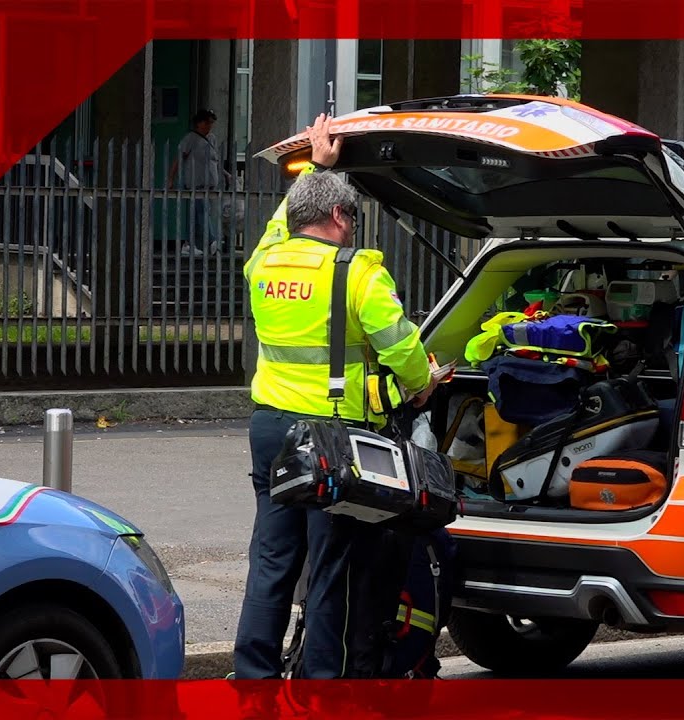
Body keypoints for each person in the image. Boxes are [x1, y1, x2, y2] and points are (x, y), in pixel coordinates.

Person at [230, 113, 438, 686]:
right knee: (330, 567)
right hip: (332, 437)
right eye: (351, 218)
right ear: (341, 216)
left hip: (270, 428)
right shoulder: (358, 274)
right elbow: (401, 349)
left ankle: (253, 677)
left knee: (272, 560)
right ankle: (323, 684)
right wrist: (424, 382)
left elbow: (281, 224)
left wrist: (317, 169)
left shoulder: (263, 264)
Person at [166, 109, 238, 257]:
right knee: (202, 212)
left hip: (209, 185)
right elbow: (178, 159)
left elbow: (214, 161)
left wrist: (225, 175)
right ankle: (212, 241)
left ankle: (189, 244)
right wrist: (170, 178)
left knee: (197, 215)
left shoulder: (211, 139)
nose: (209, 126)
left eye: (211, 123)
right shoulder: (190, 139)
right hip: (195, 184)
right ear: (199, 123)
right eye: (207, 122)